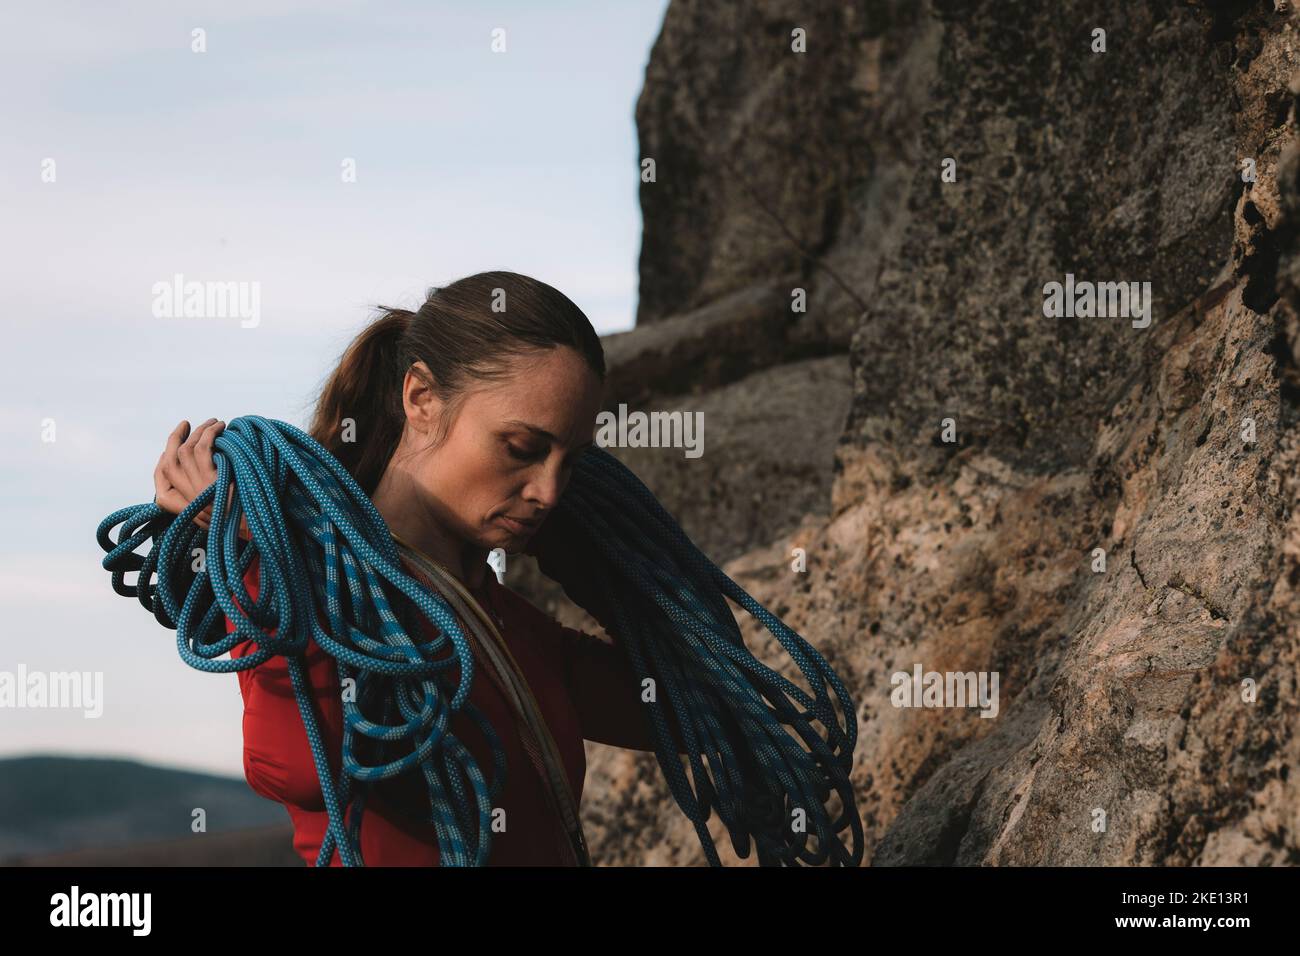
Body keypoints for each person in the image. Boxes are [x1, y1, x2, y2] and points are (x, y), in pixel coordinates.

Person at [152, 271, 681, 866]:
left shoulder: (513, 630)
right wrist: (272, 554)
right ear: (421, 398)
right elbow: (301, 767)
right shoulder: (309, 595)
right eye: (522, 448)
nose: (549, 491)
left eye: (570, 462)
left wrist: (582, 555)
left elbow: (679, 710)